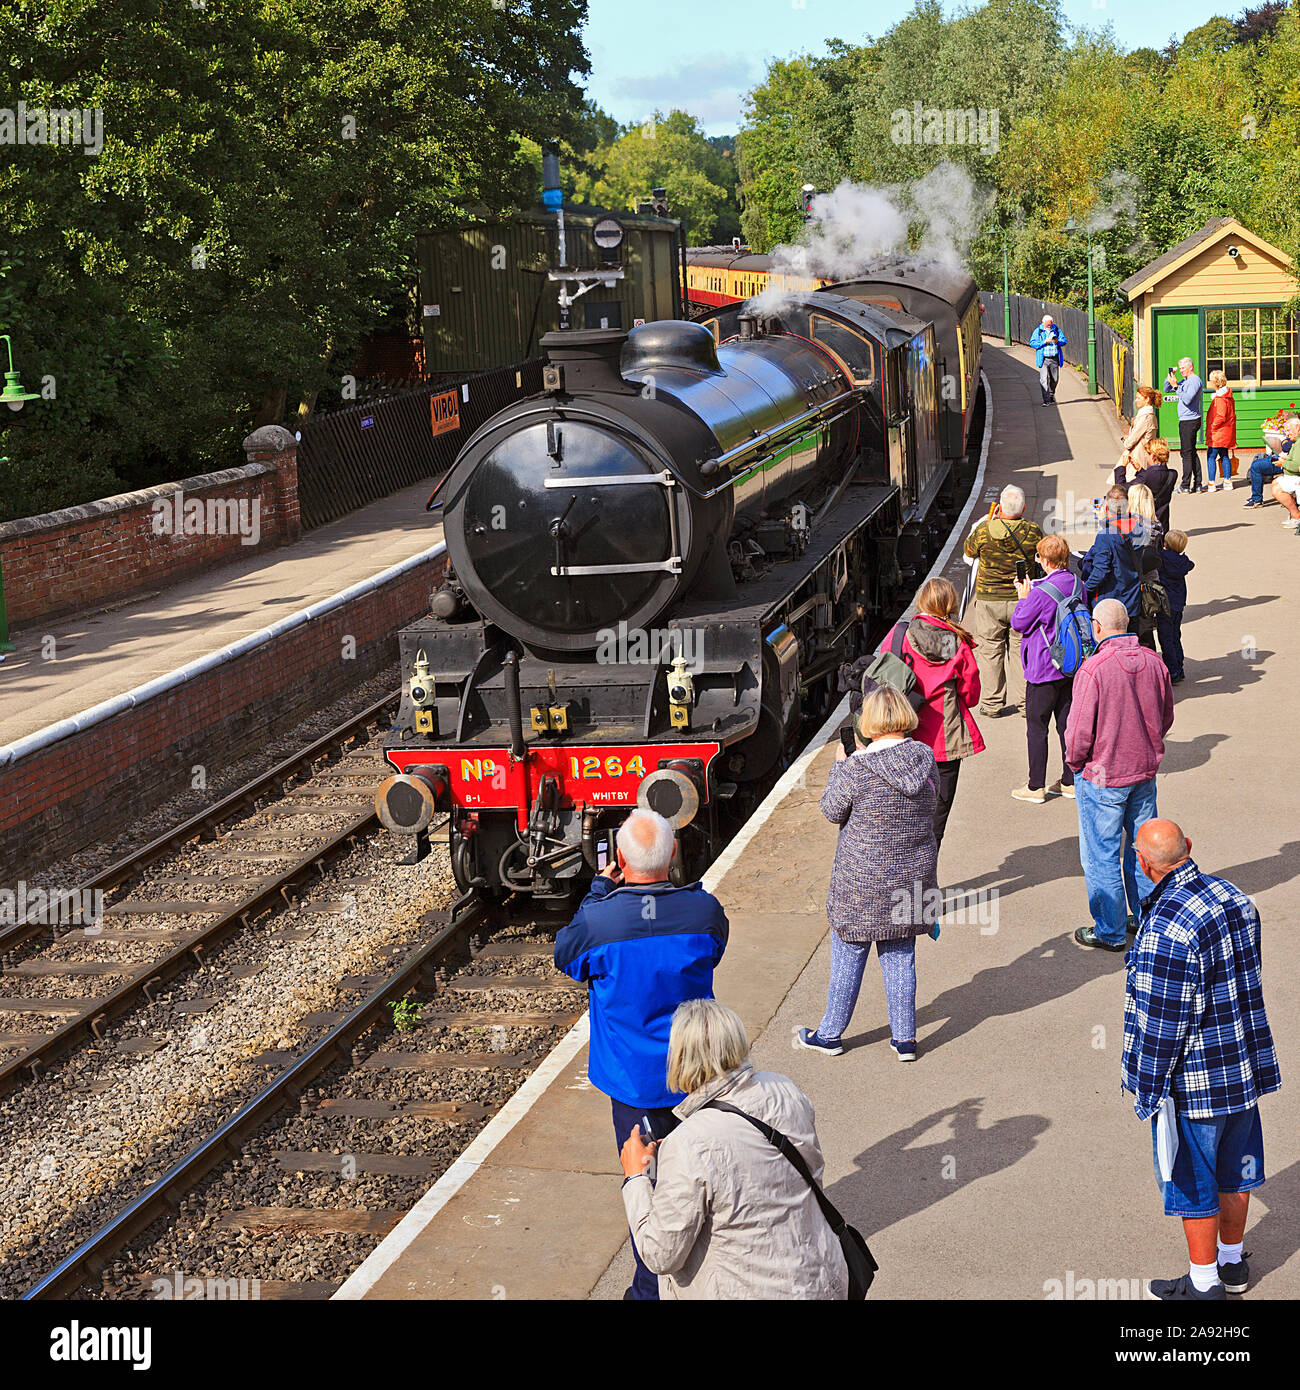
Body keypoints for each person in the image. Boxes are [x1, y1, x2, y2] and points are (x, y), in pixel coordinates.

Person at [554, 808, 729, 1300]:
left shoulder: (598, 921)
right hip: (698, 1073)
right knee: (702, 1174)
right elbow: (715, 951)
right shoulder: (704, 912)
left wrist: (596, 892)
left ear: (621, 861)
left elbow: (565, 956)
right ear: (673, 853)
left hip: (634, 1085)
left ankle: (651, 1288)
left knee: (645, 1182)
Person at [1124, 820, 1281, 1301]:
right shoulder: (1234, 896)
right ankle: (1232, 1266)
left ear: (1144, 864)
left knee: (1193, 1180)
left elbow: (1162, 1025)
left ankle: (1204, 1284)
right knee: (1237, 1170)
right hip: (1243, 1066)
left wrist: (1145, 1089)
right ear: (1188, 849)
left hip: (1196, 1082)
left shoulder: (1166, 929)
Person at [620, 999, 849, 1299]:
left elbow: (661, 1255)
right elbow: (809, 1173)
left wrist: (637, 1177)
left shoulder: (690, 1142)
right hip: (820, 1281)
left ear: (680, 1058)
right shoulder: (785, 1090)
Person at [793, 686, 939, 1062]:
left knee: (848, 953)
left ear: (868, 723)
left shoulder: (857, 767)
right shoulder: (924, 758)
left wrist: (840, 765)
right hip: (913, 879)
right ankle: (905, 1040)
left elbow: (831, 809)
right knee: (900, 955)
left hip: (862, 883)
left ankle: (830, 1034)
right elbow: (932, 806)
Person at [1064, 598, 1174, 952]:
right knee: (1141, 849)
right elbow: (1166, 715)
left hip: (1103, 775)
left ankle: (1109, 930)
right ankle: (1145, 919)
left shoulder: (1094, 669)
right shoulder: (1155, 662)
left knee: (1101, 854)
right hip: (1144, 770)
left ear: (1097, 627)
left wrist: (1075, 763)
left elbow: (1078, 732)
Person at [875, 576, 983, 847]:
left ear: (922, 601)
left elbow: (882, 676)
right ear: (951, 605)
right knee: (937, 816)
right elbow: (971, 694)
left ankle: (902, 870)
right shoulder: (955, 642)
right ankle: (926, 878)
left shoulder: (899, 635)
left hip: (902, 737)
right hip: (944, 743)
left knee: (903, 812)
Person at [1009, 533, 1079, 803]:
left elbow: (1019, 622)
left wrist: (1023, 597)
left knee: (1037, 727)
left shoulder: (1038, 593)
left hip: (1043, 666)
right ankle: (1069, 781)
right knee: (1066, 724)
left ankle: (1035, 785)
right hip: (1069, 664)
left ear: (1045, 561)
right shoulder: (1075, 583)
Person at [963, 484, 1043, 717]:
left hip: (989, 600)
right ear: (1024, 507)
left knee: (990, 651)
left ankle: (992, 703)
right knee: (1020, 651)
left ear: (998, 507)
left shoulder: (984, 530)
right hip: (1022, 599)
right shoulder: (1033, 531)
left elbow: (969, 552)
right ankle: (1025, 703)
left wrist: (989, 521)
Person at [1080, 487, 1141, 624]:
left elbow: (1100, 572)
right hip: (1133, 600)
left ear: (1106, 507)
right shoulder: (1140, 529)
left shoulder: (1105, 536)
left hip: (1110, 603)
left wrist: (1084, 589)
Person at [1127, 481, 1163, 652]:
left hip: (1133, 582)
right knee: (1147, 629)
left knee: (1134, 629)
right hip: (1151, 582)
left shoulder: (1132, 526)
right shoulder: (1156, 526)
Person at [1116, 436, 1177, 535]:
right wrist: (1140, 470)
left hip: (1146, 524)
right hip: (1162, 521)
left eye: (1147, 454)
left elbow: (1121, 489)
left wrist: (1122, 467)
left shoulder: (1147, 476)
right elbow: (1156, 479)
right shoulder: (1173, 474)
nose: (1145, 457)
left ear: (1153, 456)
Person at [1156, 529, 1194, 685]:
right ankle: (1179, 666)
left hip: (1165, 604)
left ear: (1165, 544)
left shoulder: (1162, 558)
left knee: (1165, 638)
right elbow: (1191, 564)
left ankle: (1172, 669)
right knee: (1175, 636)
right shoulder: (1182, 561)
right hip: (1178, 604)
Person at [1164, 358, 1203, 494]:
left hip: (1190, 421)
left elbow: (1187, 399)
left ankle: (1185, 485)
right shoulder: (1185, 381)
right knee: (1191, 452)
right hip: (1186, 420)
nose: (1180, 371)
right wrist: (1170, 377)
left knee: (1186, 453)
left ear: (1190, 367)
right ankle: (1198, 483)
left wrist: (1176, 387)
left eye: (1182, 368)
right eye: (1179, 368)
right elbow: (1167, 389)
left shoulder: (1194, 381)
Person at [1244, 413, 1298, 508]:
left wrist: (1285, 442)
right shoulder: (1294, 435)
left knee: (1257, 466)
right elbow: (1285, 442)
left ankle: (1257, 500)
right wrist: (1285, 441)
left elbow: (1285, 446)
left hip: (1286, 463)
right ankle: (1256, 497)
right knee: (1257, 461)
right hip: (1284, 458)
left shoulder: (1297, 437)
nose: (1288, 433)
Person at [1115, 383, 1162, 474]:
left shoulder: (1145, 417)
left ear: (1147, 399)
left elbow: (1132, 440)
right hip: (1141, 454)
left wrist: (1126, 440)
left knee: (1130, 483)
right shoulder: (1148, 416)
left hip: (1138, 456)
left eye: (1139, 398)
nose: (1136, 400)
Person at [1203, 370, 1236, 491]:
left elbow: (1221, 416)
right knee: (1224, 455)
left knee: (1211, 456)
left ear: (1216, 381)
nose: (1210, 382)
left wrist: (1212, 427)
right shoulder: (1227, 395)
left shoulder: (1220, 398)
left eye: (1211, 379)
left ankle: (1211, 483)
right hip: (1226, 432)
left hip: (1218, 432)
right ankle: (1227, 481)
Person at [1030, 314, 1067, 405]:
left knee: (1055, 379)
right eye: (1047, 324)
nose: (1049, 325)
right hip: (1043, 359)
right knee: (1043, 379)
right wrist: (1044, 342)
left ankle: (1051, 395)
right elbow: (1032, 343)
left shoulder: (1057, 330)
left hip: (1054, 358)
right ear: (1043, 323)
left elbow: (1064, 341)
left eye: (1050, 324)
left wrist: (1057, 342)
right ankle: (1046, 400)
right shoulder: (1038, 331)